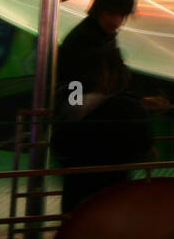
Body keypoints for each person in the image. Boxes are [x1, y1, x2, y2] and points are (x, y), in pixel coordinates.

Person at [51, 56, 153, 214]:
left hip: (77, 181)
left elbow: (69, 118)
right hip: (113, 182)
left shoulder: (75, 92)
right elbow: (142, 146)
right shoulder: (127, 107)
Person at [57, 0, 136, 99]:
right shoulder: (81, 40)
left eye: (122, 15)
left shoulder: (107, 38)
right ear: (100, 9)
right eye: (112, 13)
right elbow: (72, 92)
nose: (116, 22)